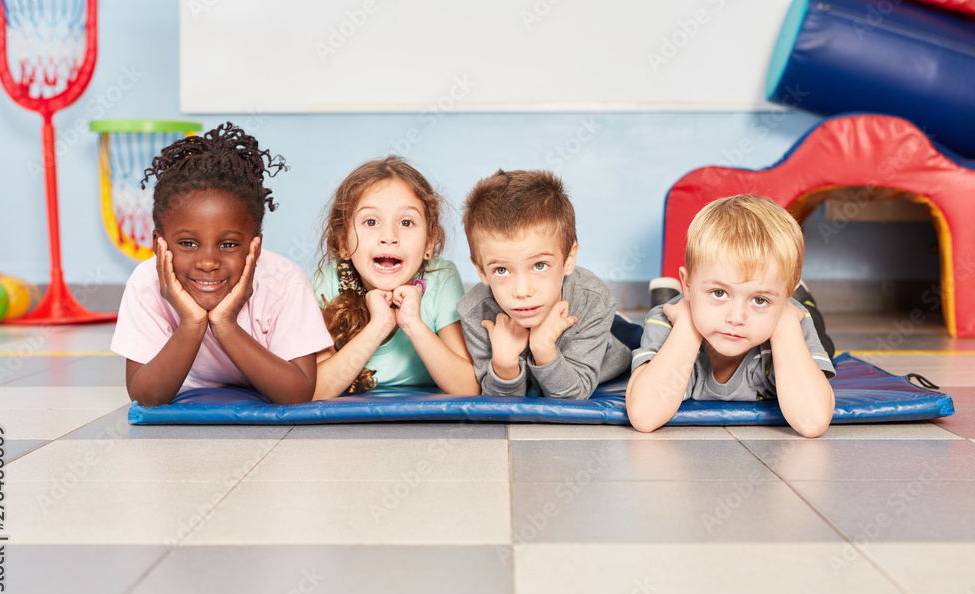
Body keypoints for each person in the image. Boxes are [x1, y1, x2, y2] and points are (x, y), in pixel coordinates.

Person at [111, 123, 332, 406]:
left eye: (228, 245)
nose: (207, 262)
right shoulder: (146, 284)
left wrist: (225, 324)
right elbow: (146, 396)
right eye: (188, 244)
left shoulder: (284, 281)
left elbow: (297, 393)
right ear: (159, 245)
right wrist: (191, 323)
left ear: (256, 246)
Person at [626, 194, 836, 437]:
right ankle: (672, 295)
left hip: (792, 311)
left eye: (760, 299)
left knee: (821, 337)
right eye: (719, 292)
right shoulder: (668, 321)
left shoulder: (789, 318)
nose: (736, 317)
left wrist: (788, 322)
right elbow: (644, 415)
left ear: (785, 298)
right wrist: (686, 324)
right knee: (672, 308)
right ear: (689, 286)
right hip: (695, 302)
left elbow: (812, 422)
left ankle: (803, 298)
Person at [457, 169, 632, 399]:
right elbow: (499, 406)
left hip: (609, 345)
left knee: (641, 335)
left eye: (539, 265)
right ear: (481, 271)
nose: (522, 291)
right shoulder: (475, 311)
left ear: (568, 259)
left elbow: (573, 397)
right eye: (501, 270)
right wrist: (504, 364)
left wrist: (543, 349)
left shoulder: (593, 300)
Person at [312, 157, 478, 398]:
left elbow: (469, 388)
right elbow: (316, 390)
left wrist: (413, 325)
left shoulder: (441, 278)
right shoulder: (328, 281)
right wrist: (378, 327)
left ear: (429, 243)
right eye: (371, 222)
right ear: (343, 243)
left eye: (406, 222)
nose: (389, 236)